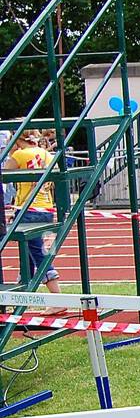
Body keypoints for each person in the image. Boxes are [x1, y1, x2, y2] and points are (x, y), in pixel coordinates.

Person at [3, 126, 63, 299]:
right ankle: (23, 295)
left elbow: (5, 174)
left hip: (29, 209)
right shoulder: (45, 153)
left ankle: (57, 298)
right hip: (46, 208)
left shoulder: (19, 155)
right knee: (30, 254)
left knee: (38, 254)